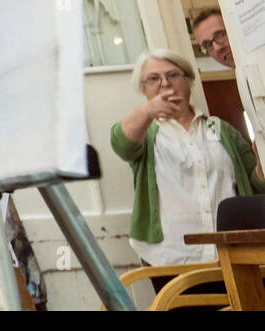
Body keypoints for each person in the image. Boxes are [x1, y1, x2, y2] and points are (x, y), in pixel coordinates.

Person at [111, 50, 263, 293]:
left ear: (189, 81)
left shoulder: (220, 129)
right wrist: (150, 111)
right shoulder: (148, 133)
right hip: (170, 258)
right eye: (153, 78)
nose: (165, 83)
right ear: (144, 89)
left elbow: (257, 184)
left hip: (231, 256)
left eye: (173, 74)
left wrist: (260, 158)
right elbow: (121, 144)